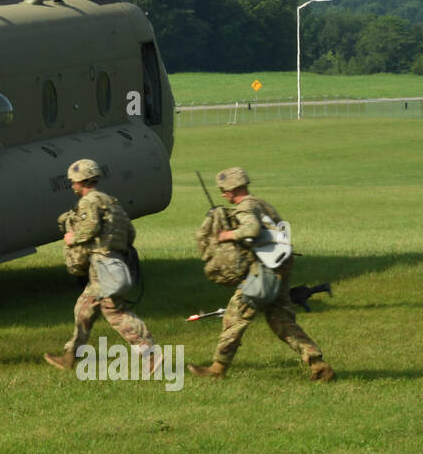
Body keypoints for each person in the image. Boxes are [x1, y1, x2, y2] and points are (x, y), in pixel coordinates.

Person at [188, 167, 336, 381]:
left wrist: (228, 234)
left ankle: (217, 369)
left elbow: (252, 229)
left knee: (234, 317)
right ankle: (319, 366)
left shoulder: (245, 208)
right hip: (279, 268)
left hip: (263, 273)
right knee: (282, 321)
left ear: (232, 188)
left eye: (224, 190)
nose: (222, 194)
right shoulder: (261, 204)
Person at [44, 158, 161, 373]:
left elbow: (90, 227)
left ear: (82, 181)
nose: (72, 185)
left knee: (114, 311)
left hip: (102, 265)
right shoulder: (111, 201)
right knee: (83, 310)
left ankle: (150, 354)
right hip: (113, 262)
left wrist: (73, 238)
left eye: (74, 181)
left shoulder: (89, 201)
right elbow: (130, 232)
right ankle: (70, 356)